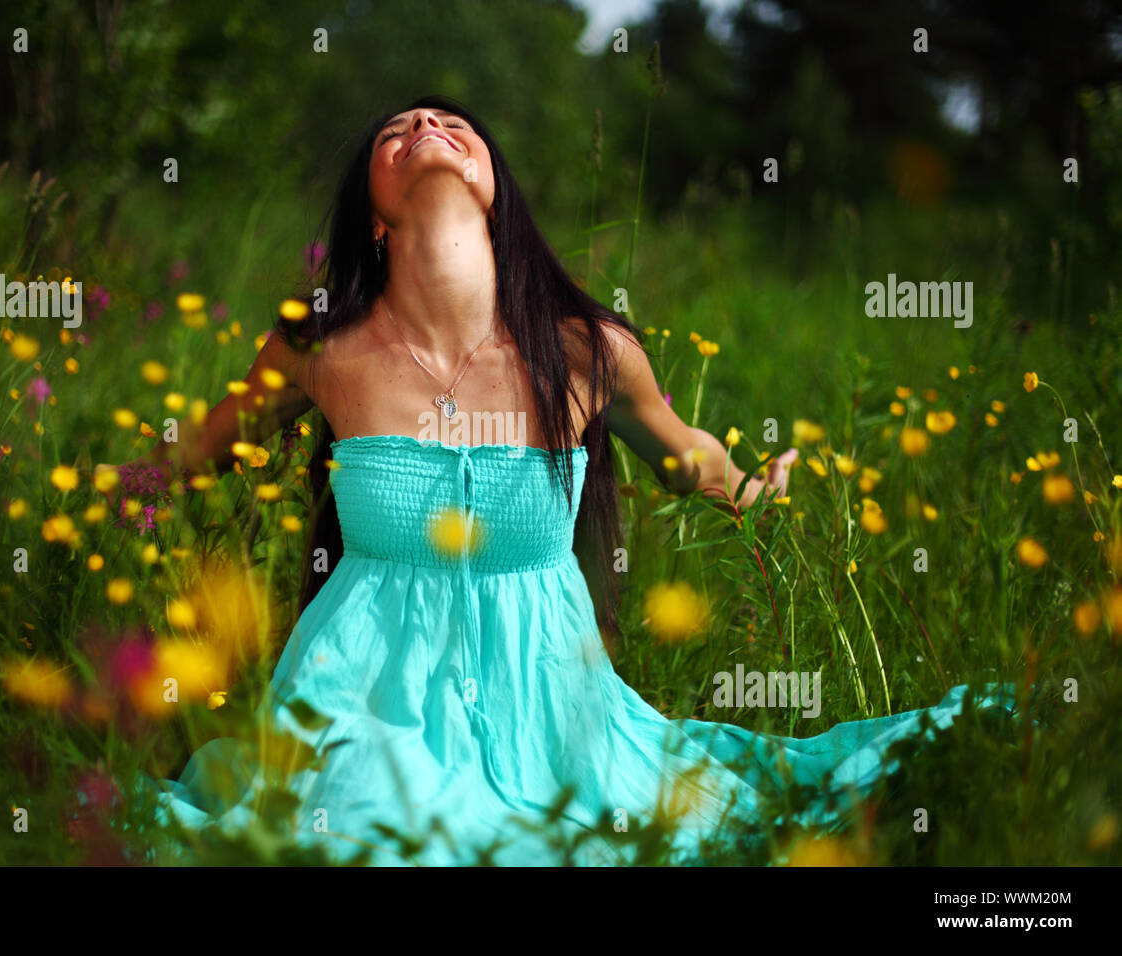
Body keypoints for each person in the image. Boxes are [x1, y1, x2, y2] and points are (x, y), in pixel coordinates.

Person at [113, 95, 1010, 866]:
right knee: (357, 842)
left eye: (450, 123)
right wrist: (124, 486)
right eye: (396, 132)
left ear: (495, 195)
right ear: (375, 220)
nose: (425, 125)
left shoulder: (587, 350)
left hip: (548, 706)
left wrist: (752, 491)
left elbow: (681, 456)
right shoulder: (317, 347)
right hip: (360, 700)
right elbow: (201, 450)